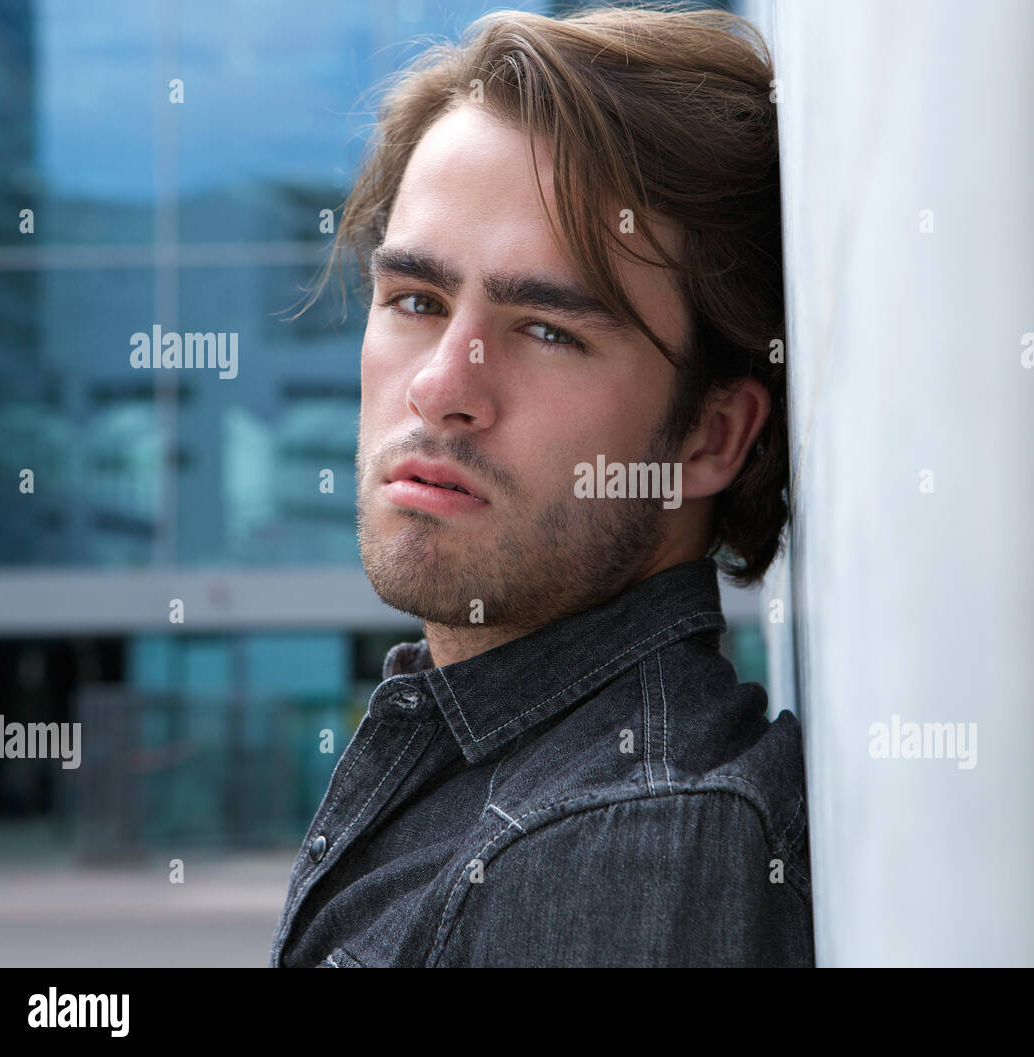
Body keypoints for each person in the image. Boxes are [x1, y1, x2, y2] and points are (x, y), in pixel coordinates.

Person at [270, 2, 812, 967]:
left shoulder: (615, 853)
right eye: (416, 301)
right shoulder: (490, 762)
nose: (441, 387)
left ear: (711, 434)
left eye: (549, 330)